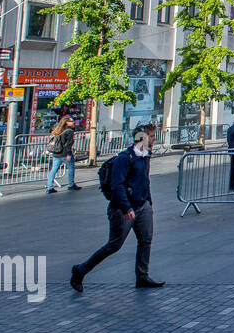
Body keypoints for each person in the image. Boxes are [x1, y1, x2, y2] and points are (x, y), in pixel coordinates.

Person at [70, 123, 165, 291]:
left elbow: (144, 180)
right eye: (151, 136)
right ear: (142, 138)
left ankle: (142, 276)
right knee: (114, 245)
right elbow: (117, 185)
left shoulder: (144, 156)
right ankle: (80, 270)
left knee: (145, 240)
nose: (153, 139)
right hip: (123, 209)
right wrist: (126, 208)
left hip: (142, 206)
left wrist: (148, 201)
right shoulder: (125, 158)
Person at [45, 114, 81, 193]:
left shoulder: (58, 130)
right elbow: (68, 144)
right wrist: (68, 154)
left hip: (56, 153)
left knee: (53, 170)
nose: (73, 122)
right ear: (66, 123)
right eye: (71, 121)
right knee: (71, 168)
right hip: (65, 154)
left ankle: (49, 187)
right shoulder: (69, 131)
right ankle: (71, 185)